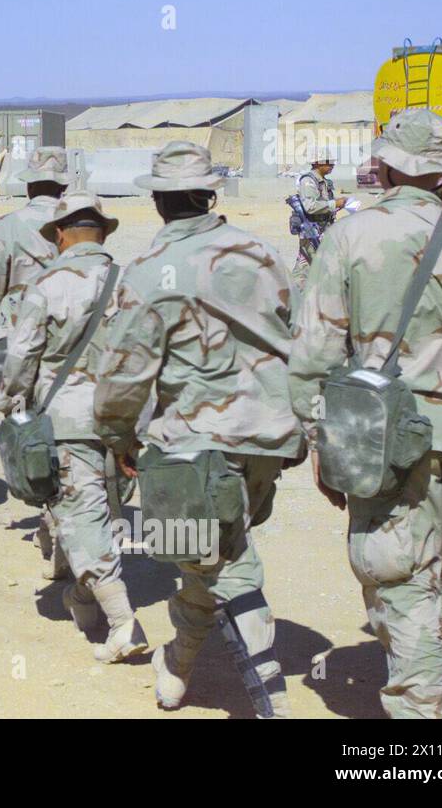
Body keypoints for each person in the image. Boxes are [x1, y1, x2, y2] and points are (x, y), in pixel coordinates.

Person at [288, 108, 442, 718]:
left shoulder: (349, 237)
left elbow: (314, 352)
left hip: (381, 443)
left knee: (399, 581)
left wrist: (322, 439)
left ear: (385, 167)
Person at [93, 141, 303, 717]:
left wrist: (117, 437)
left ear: (157, 201)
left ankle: (270, 701)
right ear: (211, 194)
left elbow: (125, 371)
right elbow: (296, 332)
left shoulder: (150, 271)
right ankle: (177, 667)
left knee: (222, 563)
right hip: (269, 436)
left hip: (194, 446)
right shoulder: (263, 253)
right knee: (204, 558)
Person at [0, 191, 146, 662]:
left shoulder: (48, 282)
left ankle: (122, 623)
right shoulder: (133, 282)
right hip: (126, 423)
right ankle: (81, 597)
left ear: (60, 234)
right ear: (103, 233)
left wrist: (9, 404)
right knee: (106, 511)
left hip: (68, 423)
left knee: (81, 519)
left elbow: (22, 356)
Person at [0, 145, 71, 578]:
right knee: (68, 440)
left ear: (28, 184)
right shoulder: (79, 225)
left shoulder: (7, 229)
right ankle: (65, 522)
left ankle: (53, 518)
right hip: (71, 349)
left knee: (30, 437)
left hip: (19, 349)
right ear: (64, 185)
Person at [291, 153, 348, 288]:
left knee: (308, 265)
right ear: (317, 163)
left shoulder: (323, 181)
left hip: (323, 229)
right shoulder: (308, 181)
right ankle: (293, 298)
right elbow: (310, 207)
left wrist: (338, 205)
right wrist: (335, 204)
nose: (332, 165)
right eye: (328, 163)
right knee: (307, 267)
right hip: (312, 231)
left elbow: (323, 204)